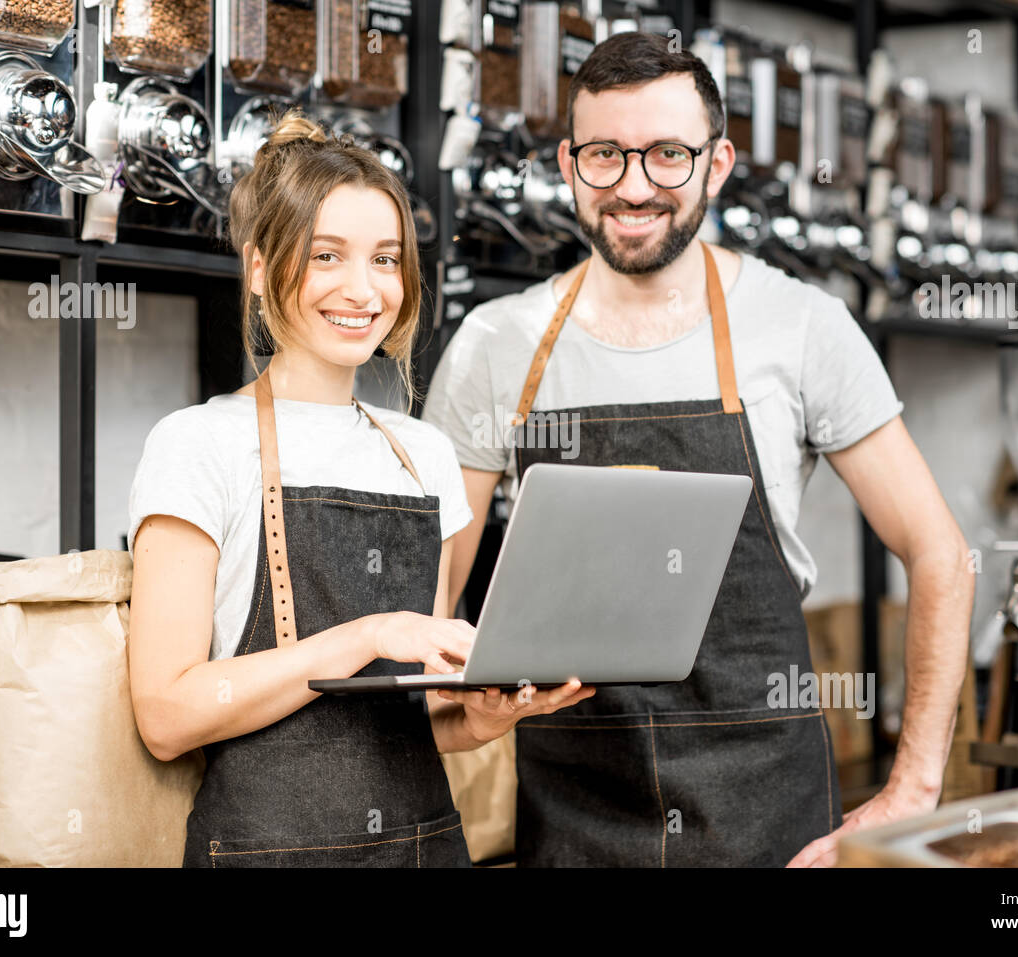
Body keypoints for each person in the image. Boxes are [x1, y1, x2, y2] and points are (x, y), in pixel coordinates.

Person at [423, 33, 975, 867]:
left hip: (770, 823)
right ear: (570, 166)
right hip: (572, 817)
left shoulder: (801, 327)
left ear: (717, 166)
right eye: (607, 155)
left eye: (668, 156)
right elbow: (429, 608)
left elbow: (940, 552)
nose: (635, 186)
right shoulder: (495, 345)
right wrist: (465, 718)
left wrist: (912, 791)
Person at [125, 111, 594, 868]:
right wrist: (369, 634)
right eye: (326, 256)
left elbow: (413, 715)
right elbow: (167, 713)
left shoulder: (424, 455)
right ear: (257, 267)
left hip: (427, 845)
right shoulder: (197, 445)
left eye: (385, 259)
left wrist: (482, 715)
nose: (363, 289)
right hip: (266, 853)